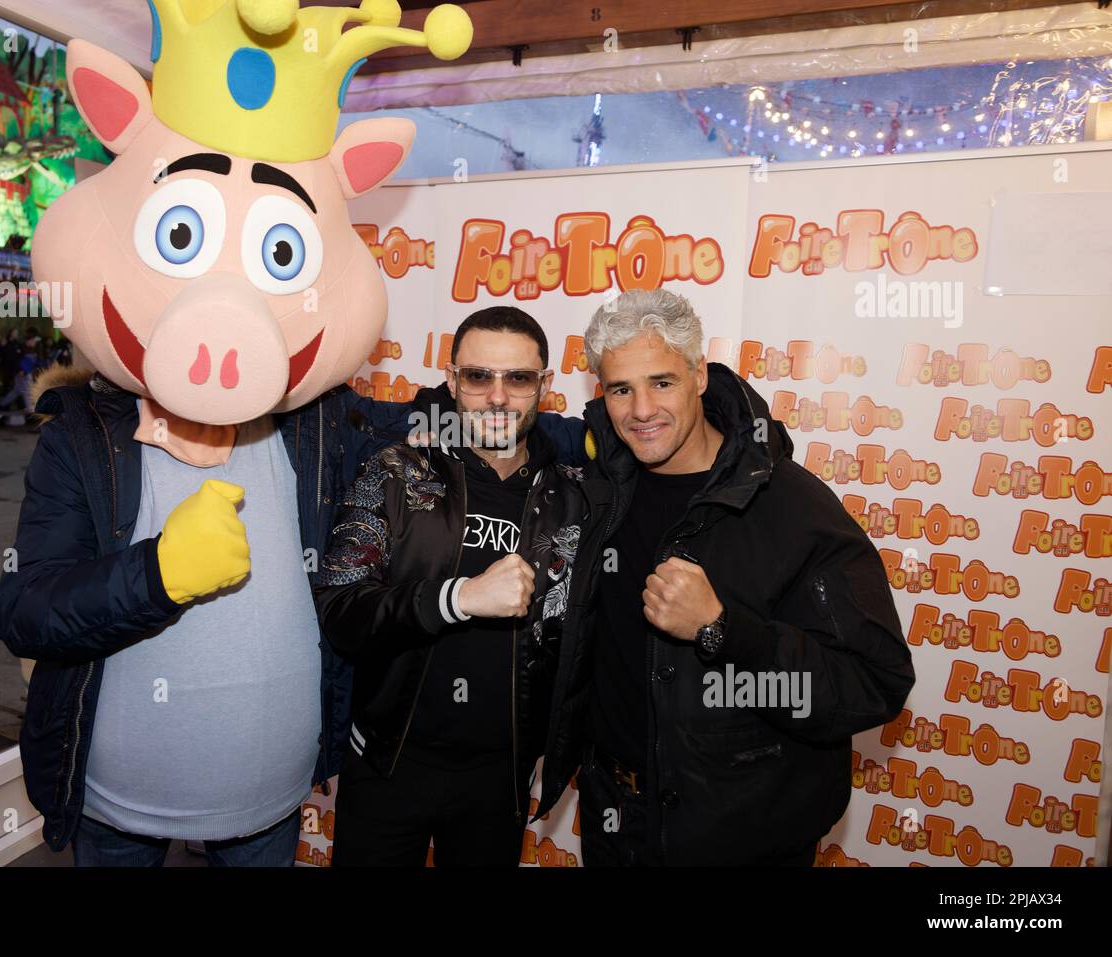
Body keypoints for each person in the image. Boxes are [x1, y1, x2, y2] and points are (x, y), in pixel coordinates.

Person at [534, 289, 915, 867]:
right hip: (616, 820)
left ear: (700, 377)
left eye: (661, 382)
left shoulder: (790, 505)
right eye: (620, 389)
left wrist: (722, 629)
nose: (641, 410)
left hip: (742, 831)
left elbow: (872, 682)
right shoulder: (598, 490)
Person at [313, 306, 588, 867]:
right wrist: (457, 598)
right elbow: (339, 607)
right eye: (478, 376)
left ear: (545, 386)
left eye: (518, 378)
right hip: (389, 764)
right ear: (451, 377)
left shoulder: (573, 496)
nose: (497, 396)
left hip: (500, 780)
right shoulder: (397, 470)